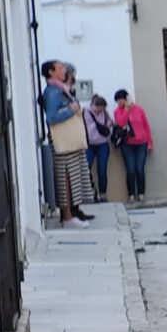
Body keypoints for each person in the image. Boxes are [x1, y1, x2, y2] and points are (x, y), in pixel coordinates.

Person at [40, 60, 94, 227]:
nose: (64, 70)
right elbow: (51, 117)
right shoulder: (53, 92)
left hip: (70, 142)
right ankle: (67, 217)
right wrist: (72, 110)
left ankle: (73, 213)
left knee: (74, 178)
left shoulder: (60, 89)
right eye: (60, 68)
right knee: (65, 178)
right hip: (63, 143)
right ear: (51, 72)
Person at [114, 89, 153, 204]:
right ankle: (131, 194)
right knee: (130, 169)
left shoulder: (139, 109)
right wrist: (126, 110)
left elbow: (146, 126)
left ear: (126, 99)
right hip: (127, 145)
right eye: (117, 101)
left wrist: (149, 142)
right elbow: (121, 123)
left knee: (140, 169)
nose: (119, 103)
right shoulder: (118, 111)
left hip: (141, 143)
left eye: (120, 100)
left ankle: (141, 194)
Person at [83, 94, 114, 201]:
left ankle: (103, 194)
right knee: (86, 168)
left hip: (103, 144)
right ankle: (89, 193)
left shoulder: (104, 112)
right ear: (93, 105)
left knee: (102, 169)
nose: (99, 112)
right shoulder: (85, 112)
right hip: (89, 144)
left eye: (102, 110)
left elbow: (110, 123)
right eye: (98, 110)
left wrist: (109, 124)